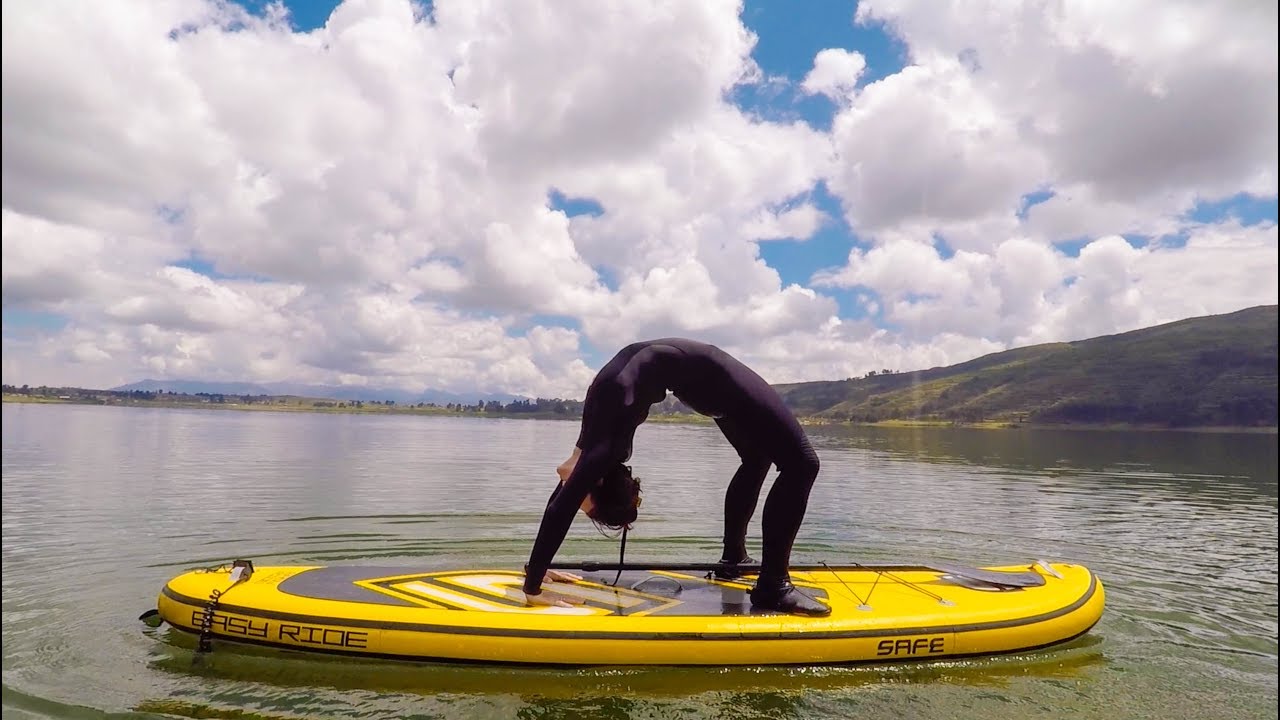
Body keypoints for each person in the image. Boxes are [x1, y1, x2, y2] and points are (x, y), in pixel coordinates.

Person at [521, 338, 829, 616]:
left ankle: (747, 568)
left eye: (583, 504)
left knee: (795, 463)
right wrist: (538, 569)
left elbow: (562, 500)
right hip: (698, 382)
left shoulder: (603, 452)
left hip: (712, 376)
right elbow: (566, 489)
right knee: (789, 463)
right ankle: (764, 580)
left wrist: (533, 586)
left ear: (597, 483)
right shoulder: (604, 451)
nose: (576, 501)